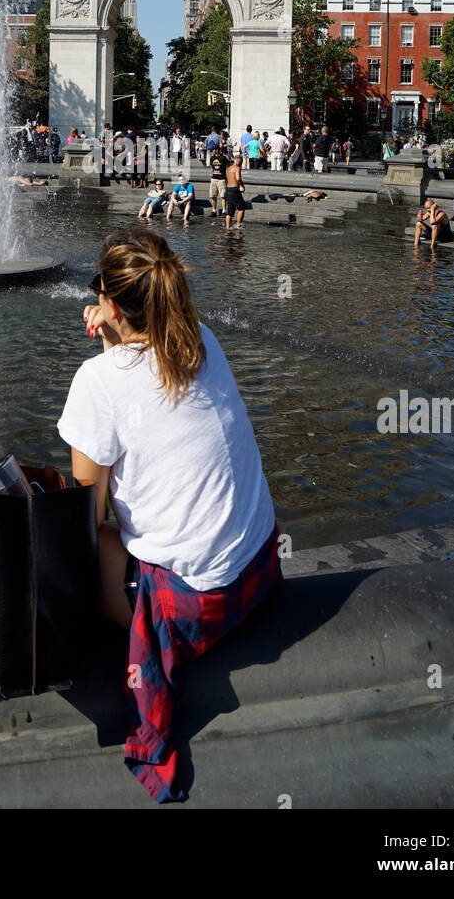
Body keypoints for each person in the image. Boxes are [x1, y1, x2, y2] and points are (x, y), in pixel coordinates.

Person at [58, 229, 280, 803]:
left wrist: (103, 363)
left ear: (107, 302)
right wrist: (115, 347)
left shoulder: (96, 382)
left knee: (87, 544)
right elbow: (145, 394)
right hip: (258, 571)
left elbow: (88, 507)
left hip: (195, 605)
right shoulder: (201, 339)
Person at [225, 153, 245, 230]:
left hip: (228, 189)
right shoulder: (237, 168)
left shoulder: (229, 168)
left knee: (229, 210)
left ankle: (227, 228)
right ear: (239, 161)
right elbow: (238, 178)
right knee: (241, 207)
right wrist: (241, 186)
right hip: (234, 190)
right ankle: (238, 225)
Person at [208, 149, 227, 217]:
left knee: (223, 196)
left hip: (222, 179)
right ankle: (214, 211)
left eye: (212, 150)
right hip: (214, 179)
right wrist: (213, 173)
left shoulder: (223, 157)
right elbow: (211, 166)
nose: (212, 151)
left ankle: (224, 211)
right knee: (213, 196)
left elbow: (228, 165)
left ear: (216, 150)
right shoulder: (212, 158)